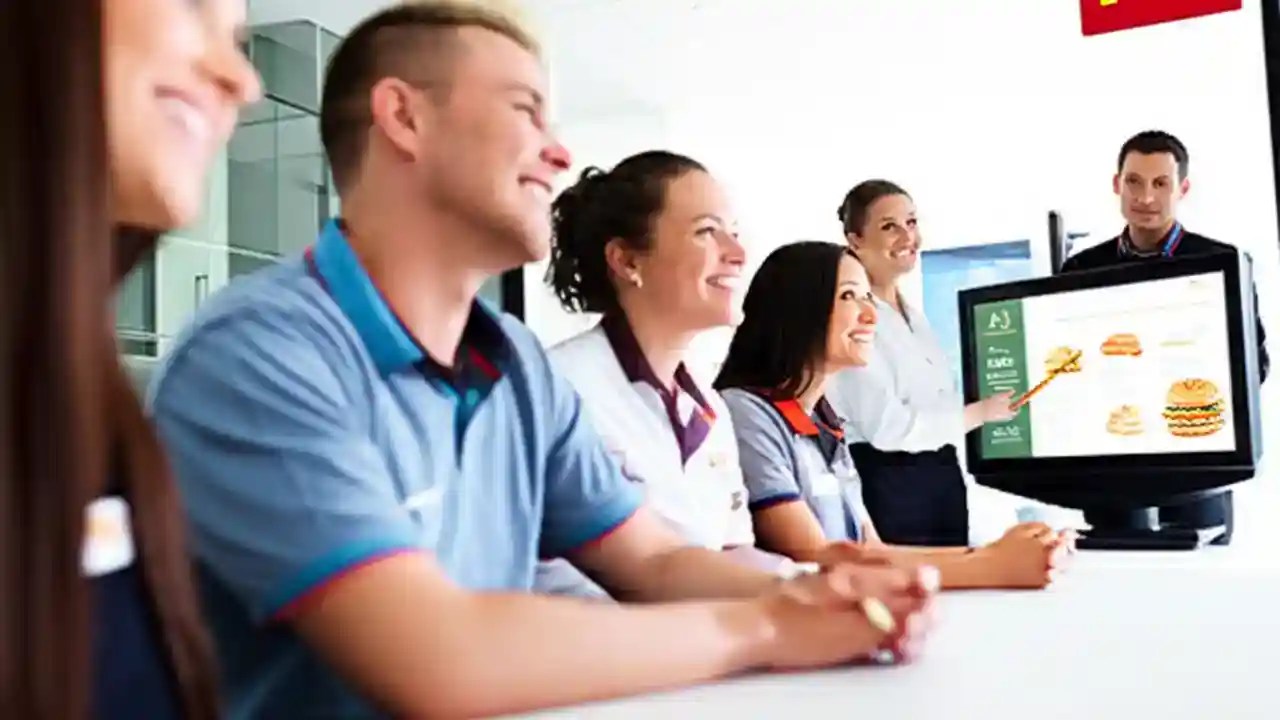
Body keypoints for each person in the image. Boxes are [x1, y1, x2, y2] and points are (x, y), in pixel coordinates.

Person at [146, 4, 936, 718]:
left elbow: (654, 560)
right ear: (404, 117)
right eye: (526, 112)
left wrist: (828, 592)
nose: (560, 157)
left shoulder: (513, 363)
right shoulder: (261, 355)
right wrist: (767, 624)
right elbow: (432, 655)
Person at [0, 1, 260, 719]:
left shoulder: (89, 415)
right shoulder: (261, 351)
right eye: (193, 6)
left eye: (237, 37)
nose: (242, 80)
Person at [715, 242, 1073, 588]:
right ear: (796, 309)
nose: (870, 315)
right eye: (847, 297)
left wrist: (1003, 552)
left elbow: (872, 552)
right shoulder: (746, 413)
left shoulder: (825, 423)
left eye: (867, 297)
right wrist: (991, 566)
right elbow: (816, 558)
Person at [537, 151, 800, 597]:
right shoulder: (558, 387)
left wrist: (821, 581)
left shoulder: (709, 404)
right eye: (706, 232)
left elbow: (729, 551)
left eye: (733, 233)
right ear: (627, 261)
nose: (738, 254)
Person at [1060, 130, 1270, 546]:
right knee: (1115, 578)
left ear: (1182, 189)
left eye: (1161, 184)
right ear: (1117, 184)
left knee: (1200, 582)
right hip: (1112, 460)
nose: (1146, 197)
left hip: (1198, 461)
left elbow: (1255, 365)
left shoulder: (1220, 261)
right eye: (1135, 182)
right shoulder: (1081, 268)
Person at [826, 179, 1020, 547]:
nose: (906, 236)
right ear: (855, 240)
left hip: (940, 480)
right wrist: (980, 413)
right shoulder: (853, 320)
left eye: (911, 223)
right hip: (892, 487)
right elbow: (888, 428)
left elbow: (936, 407)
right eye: (889, 227)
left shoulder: (914, 315)